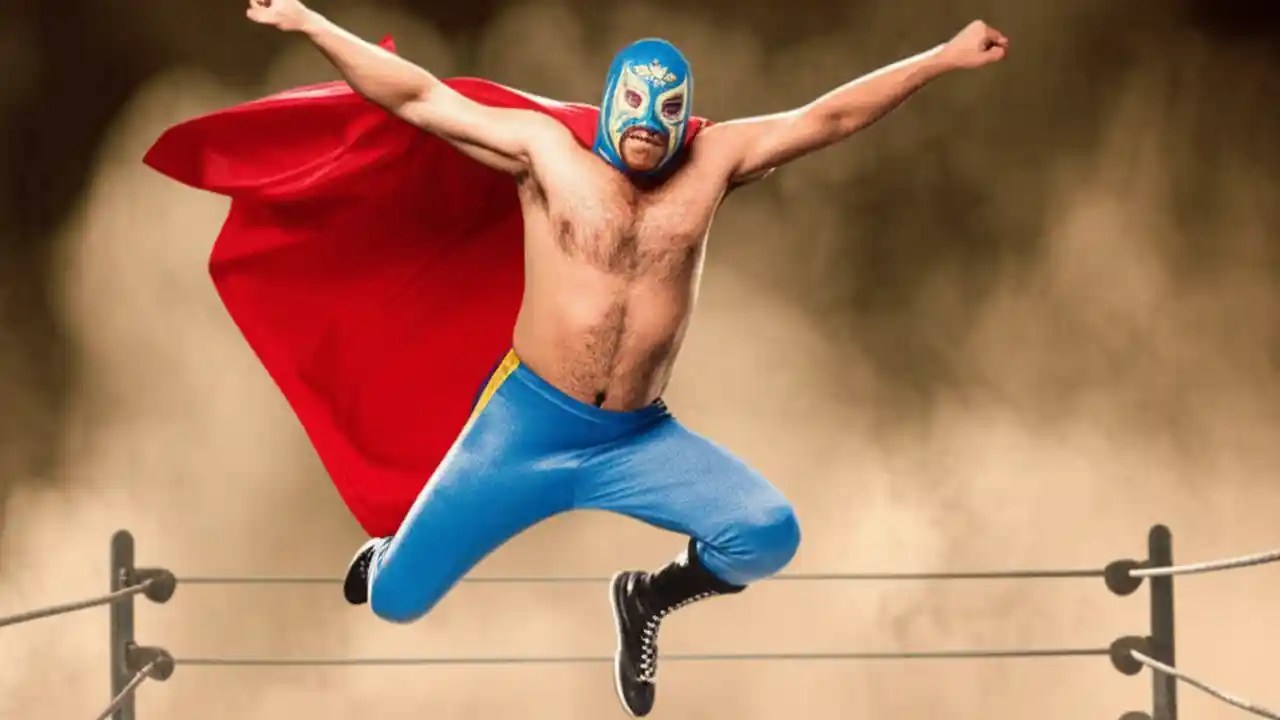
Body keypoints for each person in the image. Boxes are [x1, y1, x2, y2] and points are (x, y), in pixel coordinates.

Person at [186, 2, 1008, 715]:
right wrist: (306, 21)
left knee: (766, 533)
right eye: (636, 105)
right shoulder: (543, 153)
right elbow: (417, 96)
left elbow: (825, 118)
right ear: (612, 99)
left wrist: (941, 57)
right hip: (525, 428)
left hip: (636, 441)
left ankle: (645, 602)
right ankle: (393, 557)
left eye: (667, 112)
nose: (649, 124)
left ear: (686, 115)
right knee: (397, 603)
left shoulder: (713, 162)